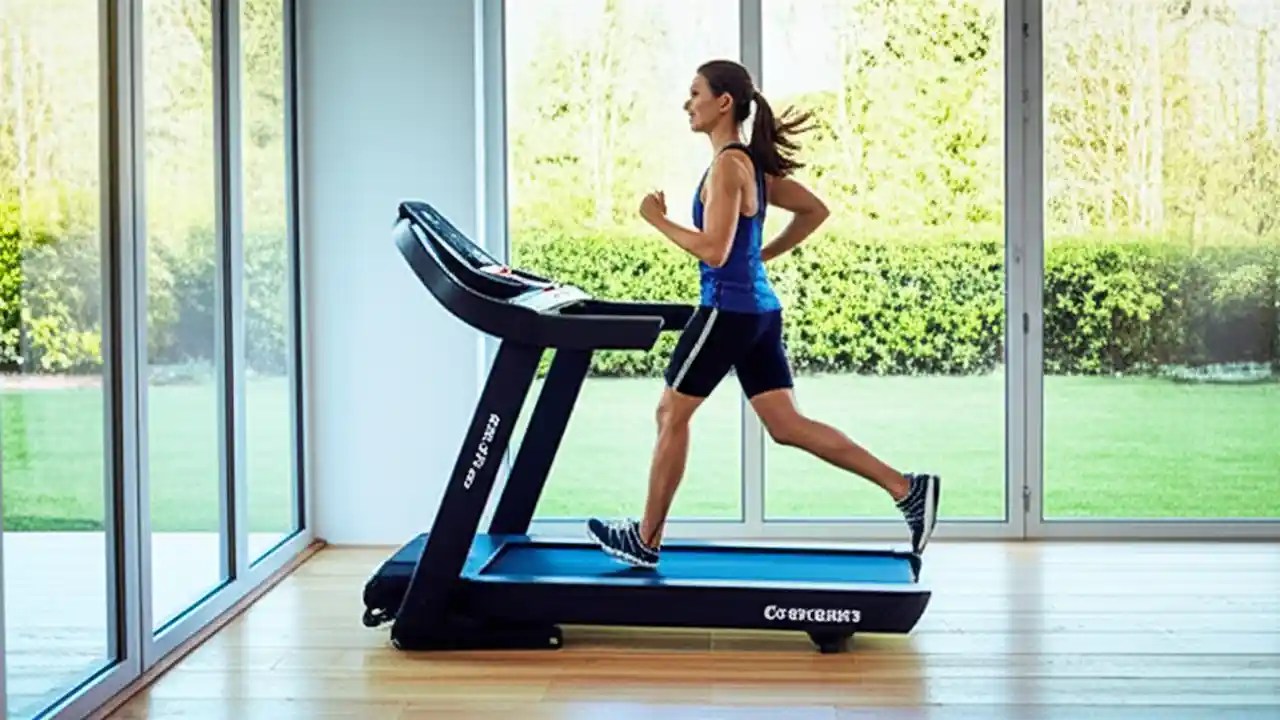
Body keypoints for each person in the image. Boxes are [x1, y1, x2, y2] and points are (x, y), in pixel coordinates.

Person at [586, 59, 940, 569]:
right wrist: (759, 258)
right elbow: (814, 211)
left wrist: (656, 220)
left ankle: (646, 540)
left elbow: (714, 251)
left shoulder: (729, 166)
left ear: (723, 102)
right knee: (787, 425)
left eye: (695, 93)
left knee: (670, 414)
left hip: (726, 311)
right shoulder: (750, 165)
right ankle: (906, 488)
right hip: (759, 313)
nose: (687, 104)